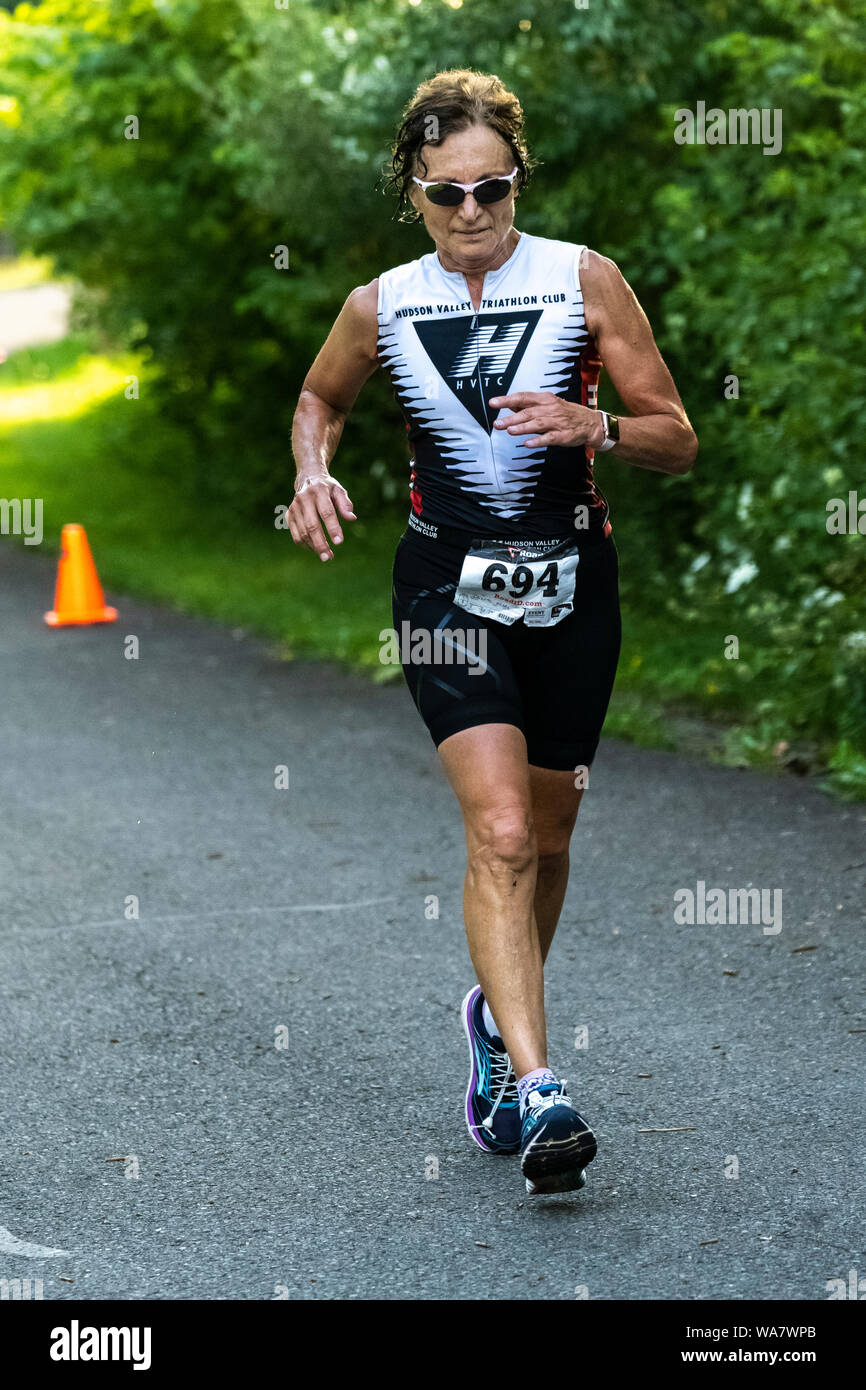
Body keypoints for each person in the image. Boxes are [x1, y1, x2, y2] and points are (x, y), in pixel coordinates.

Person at [288, 69, 697, 1195]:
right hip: (442, 591)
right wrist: (311, 471)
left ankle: (491, 1022)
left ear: (517, 180)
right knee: (505, 832)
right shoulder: (383, 304)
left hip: (573, 585)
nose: (471, 212)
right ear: (412, 192)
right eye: (445, 194)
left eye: (491, 189)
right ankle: (541, 1084)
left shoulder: (581, 280)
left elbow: (676, 438)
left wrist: (597, 424)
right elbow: (320, 398)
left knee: (552, 838)